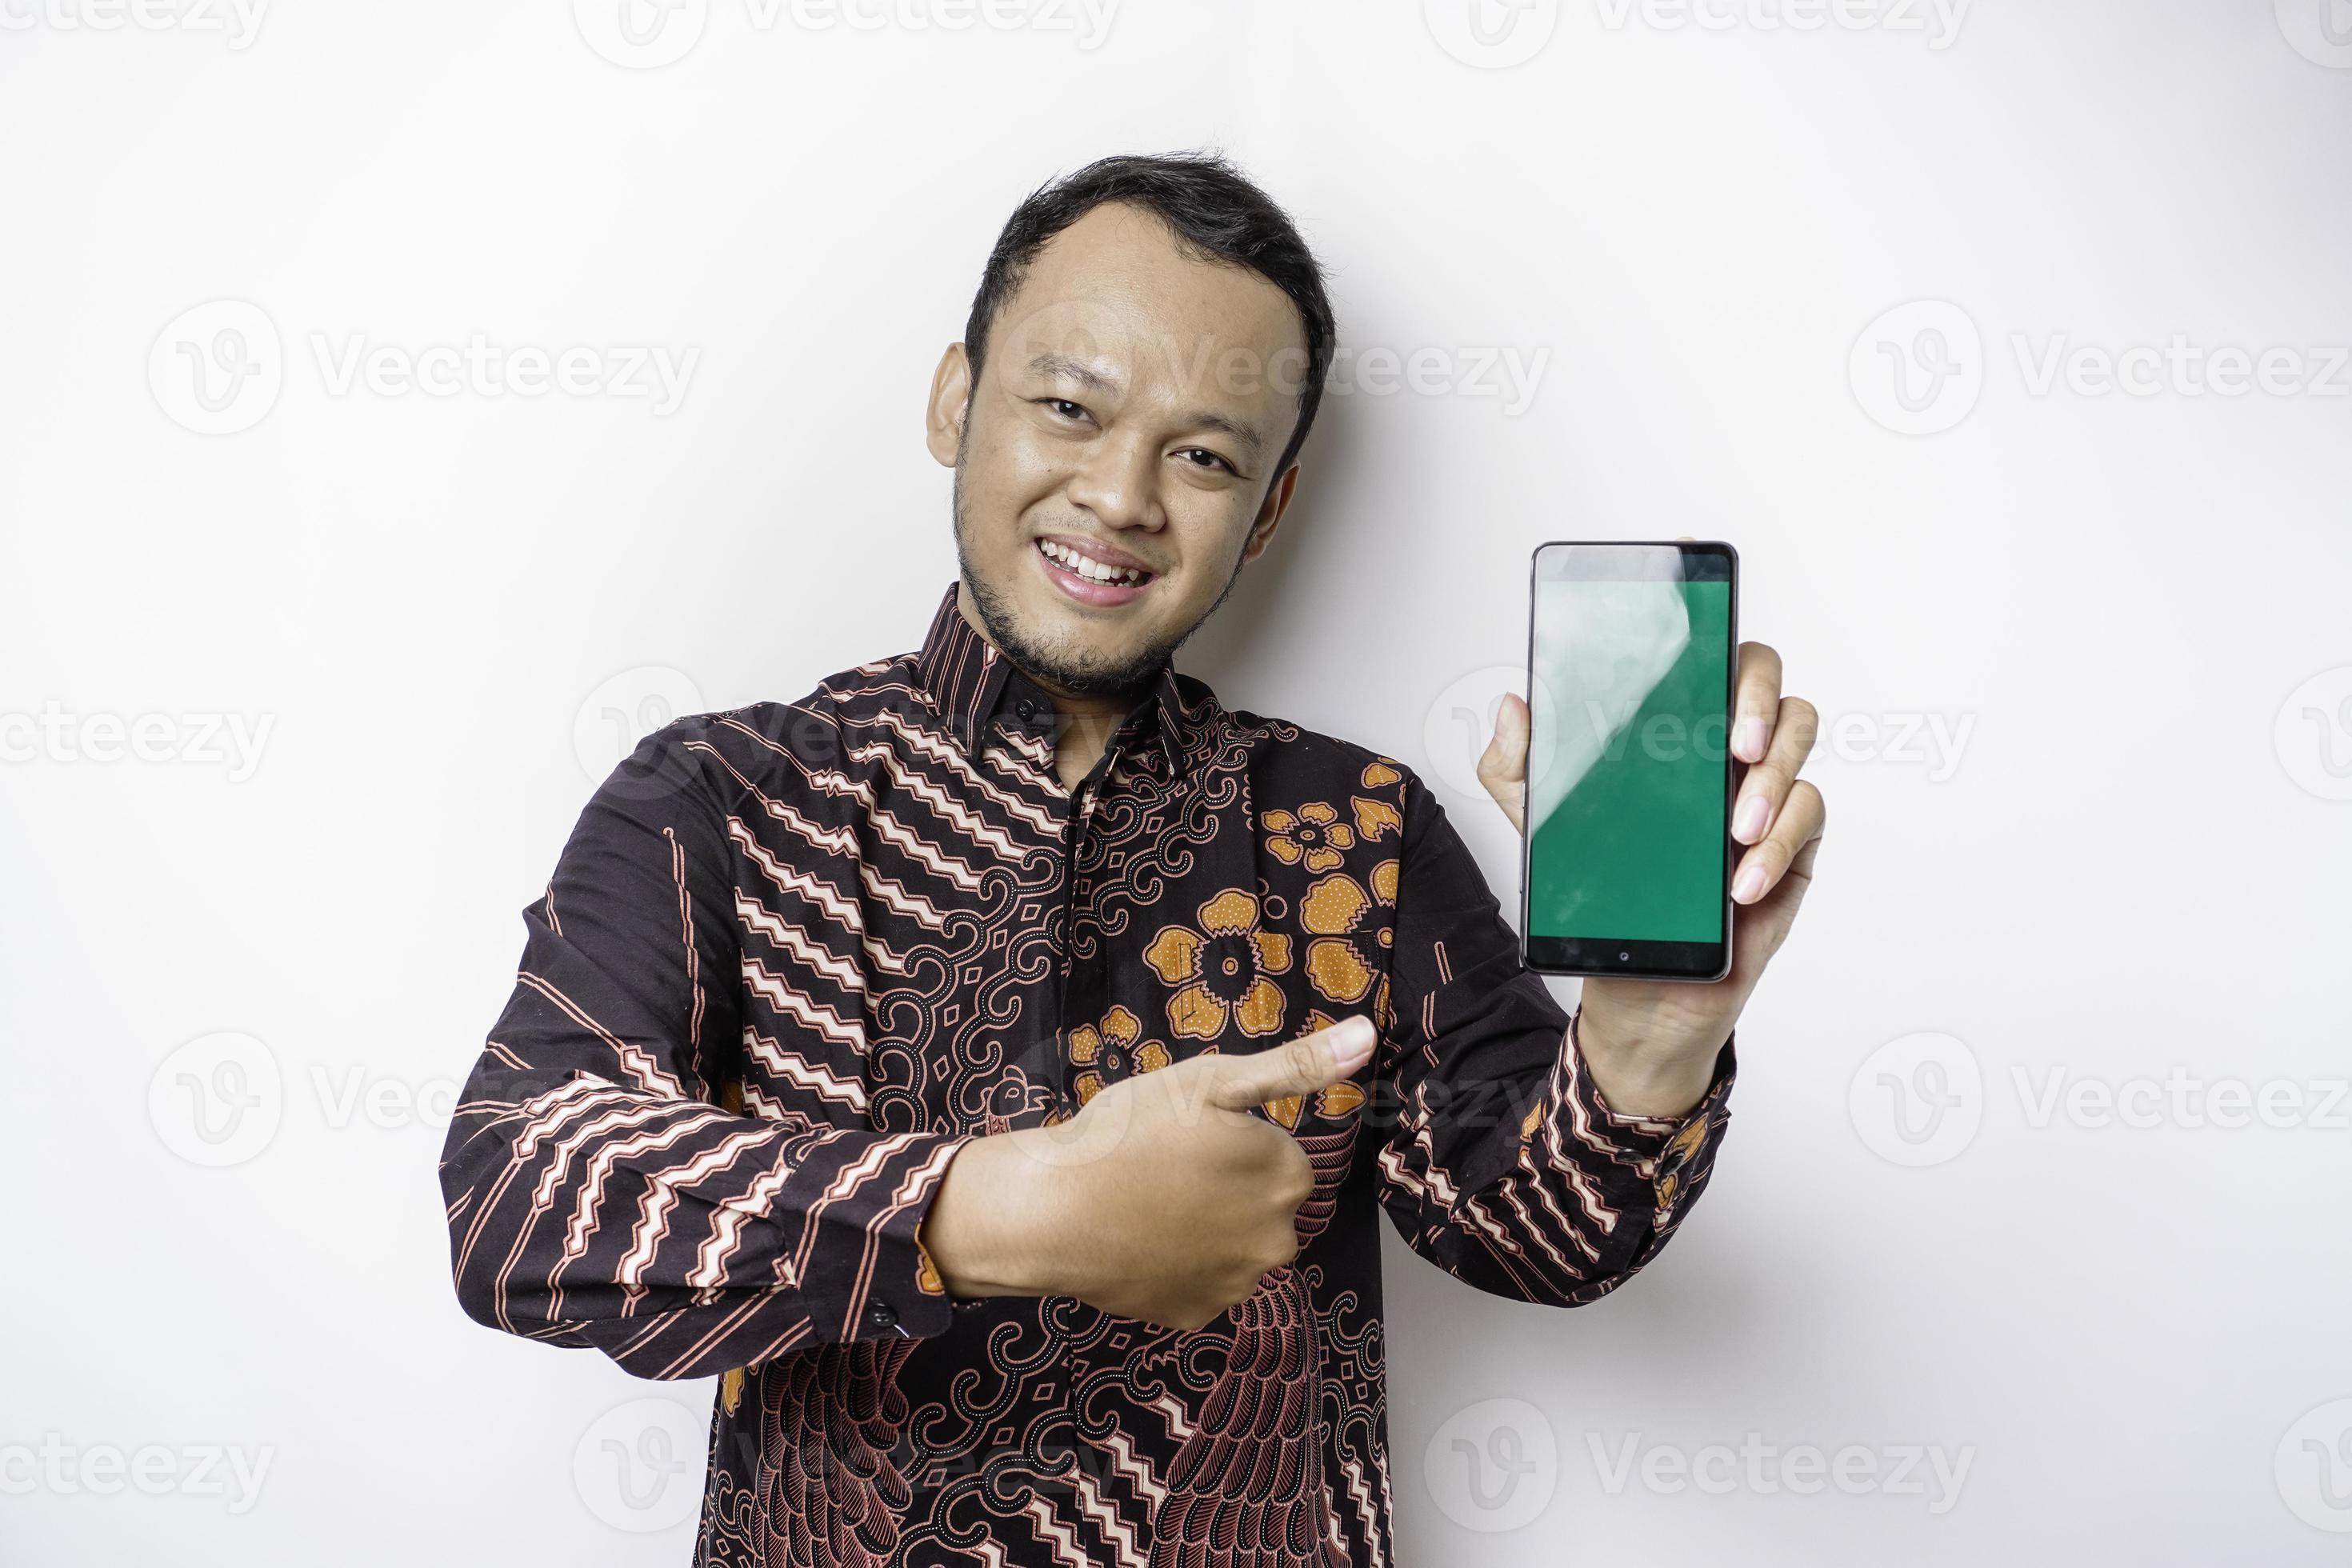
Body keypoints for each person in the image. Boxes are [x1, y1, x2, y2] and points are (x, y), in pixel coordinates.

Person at [438, 150, 1826, 1568]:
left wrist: (1651, 1047)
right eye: (1068, 405)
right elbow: (516, 1195)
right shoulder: (722, 800)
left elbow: (1541, 1239)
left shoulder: (1361, 832)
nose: (1121, 494)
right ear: (953, 400)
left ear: (1269, 512)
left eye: (1207, 454)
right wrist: (995, 1208)